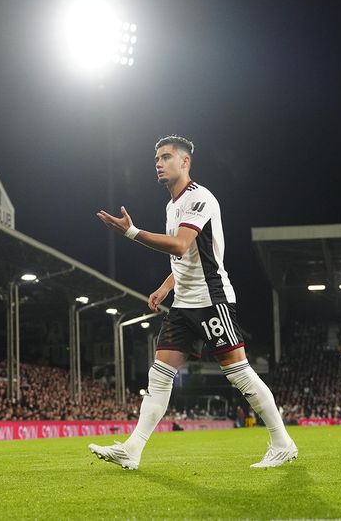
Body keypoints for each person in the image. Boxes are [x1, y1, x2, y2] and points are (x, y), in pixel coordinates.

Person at [90, 135, 297, 470]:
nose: (158, 163)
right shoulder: (172, 206)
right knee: (159, 376)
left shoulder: (200, 198)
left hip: (211, 299)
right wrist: (165, 287)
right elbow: (185, 258)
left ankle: (282, 442)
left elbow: (179, 245)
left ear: (185, 162)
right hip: (183, 305)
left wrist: (131, 232)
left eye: (166, 157)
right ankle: (132, 449)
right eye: (156, 158)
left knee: (239, 374)